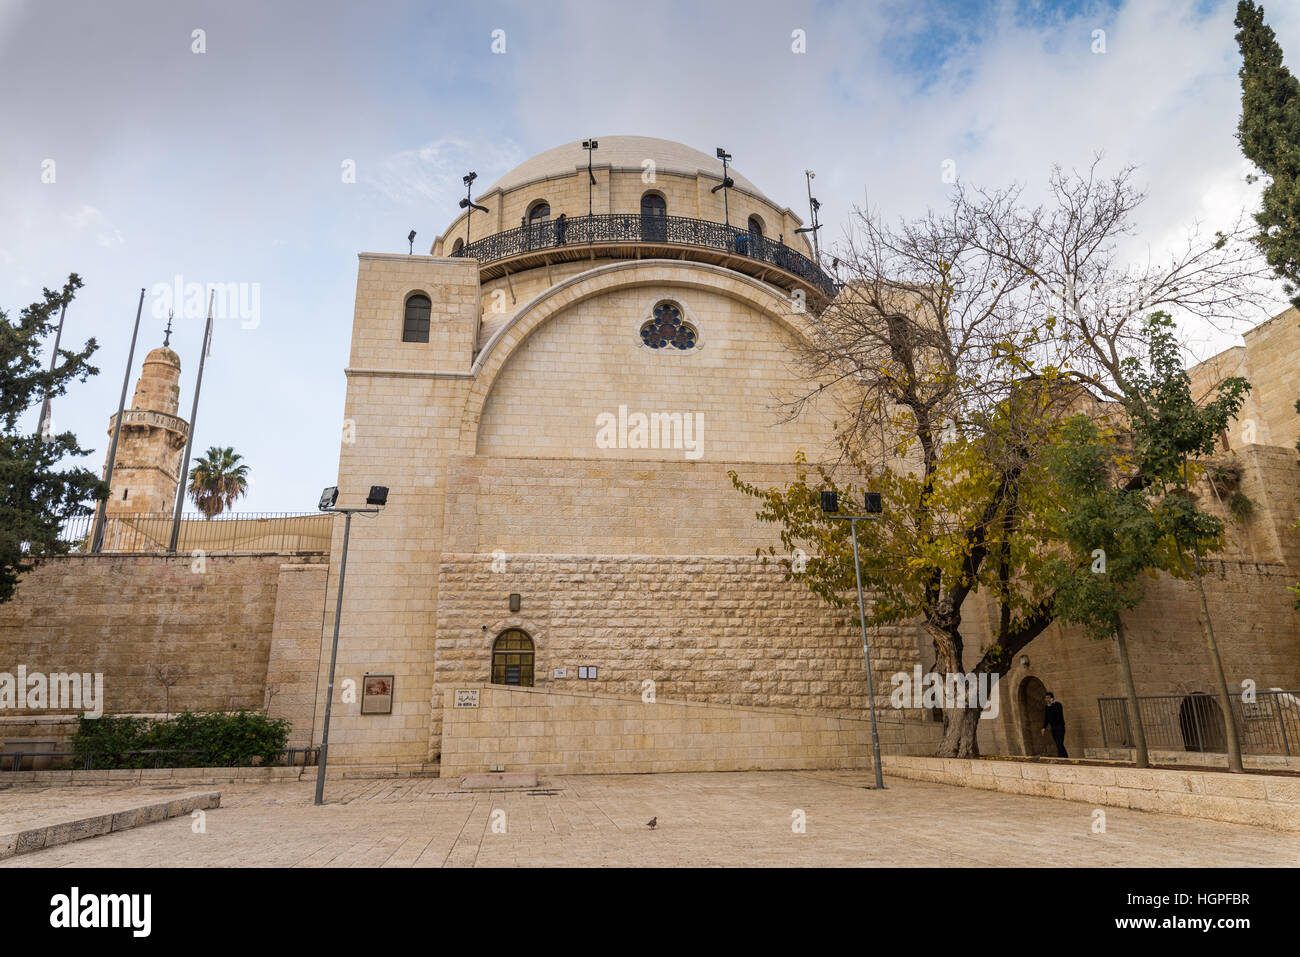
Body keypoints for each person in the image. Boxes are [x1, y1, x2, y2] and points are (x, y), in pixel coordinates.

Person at [1041, 691, 1067, 757]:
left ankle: (1061, 757)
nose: (1047, 699)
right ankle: (1066, 756)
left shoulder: (1058, 705)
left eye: (1048, 698)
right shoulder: (1047, 707)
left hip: (1060, 727)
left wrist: (1053, 704)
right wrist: (1044, 727)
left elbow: (1058, 712)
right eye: (1046, 698)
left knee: (1059, 742)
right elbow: (1046, 718)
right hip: (1053, 727)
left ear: (1052, 698)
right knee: (1058, 743)